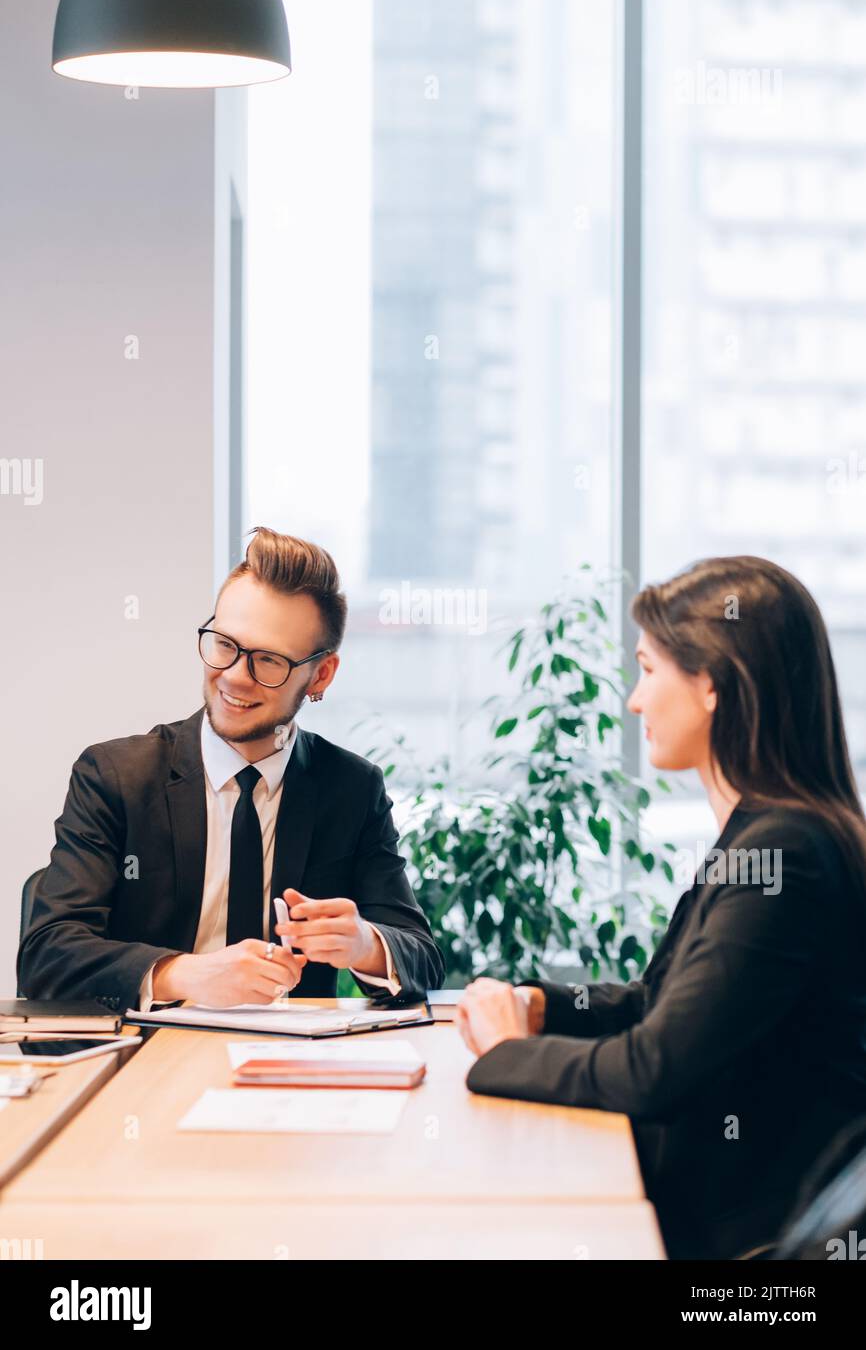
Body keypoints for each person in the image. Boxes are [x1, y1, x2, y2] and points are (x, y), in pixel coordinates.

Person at [457, 556, 866, 1260]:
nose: (634, 701)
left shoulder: (785, 856)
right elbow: (664, 1003)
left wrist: (509, 1050)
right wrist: (542, 1006)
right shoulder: (772, 835)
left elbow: (653, 1069)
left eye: (648, 669)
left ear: (709, 682)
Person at [18, 527, 444, 1015]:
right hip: (150, 1055)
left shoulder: (352, 789)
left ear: (320, 675)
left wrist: (364, 943)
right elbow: (46, 954)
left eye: (268, 660)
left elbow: (423, 959)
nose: (235, 676)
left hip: (291, 1068)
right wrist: (186, 974)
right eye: (224, 645)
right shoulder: (115, 777)